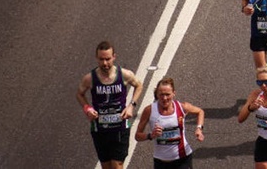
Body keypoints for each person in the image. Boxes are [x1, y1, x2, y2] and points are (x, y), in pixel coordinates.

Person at [76, 40, 145, 169]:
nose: (105, 63)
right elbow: (79, 94)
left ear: (114, 57)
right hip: (100, 129)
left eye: (108, 59)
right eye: (101, 59)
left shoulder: (124, 74)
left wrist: (131, 106)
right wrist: (87, 109)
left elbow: (139, 85)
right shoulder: (90, 78)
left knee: (117, 165)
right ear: (96, 58)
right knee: (106, 166)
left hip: (120, 128)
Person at [135, 77, 205, 167]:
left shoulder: (182, 107)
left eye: (167, 94)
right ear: (157, 94)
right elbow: (137, 136)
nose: (164, 98)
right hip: (161, 162)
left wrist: (199, 129)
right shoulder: (149, 110)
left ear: (173, 93)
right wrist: (151, 135)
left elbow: (200, 112)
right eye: (161, 94)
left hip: (183, 159)